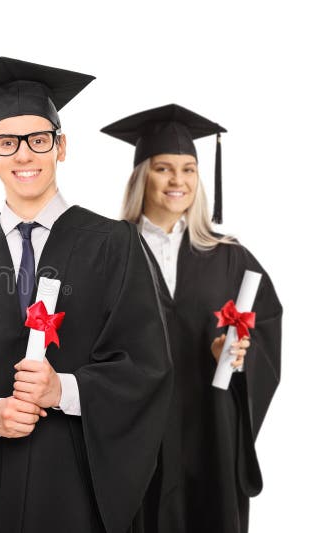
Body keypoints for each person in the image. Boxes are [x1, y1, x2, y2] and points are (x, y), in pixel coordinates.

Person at [0, 56, 173, 533]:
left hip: (77, 490)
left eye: (38, 139)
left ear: (61, 146)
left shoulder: (113, 245)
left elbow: (146, 367)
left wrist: (65, 390)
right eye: (7, 142)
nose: (24, 155)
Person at [102, 103, 282, 533]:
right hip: (138, 439)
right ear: (141, 175)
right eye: (163, 168)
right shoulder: (109, 252)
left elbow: (266, 331)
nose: (177, 181)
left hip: (210, 438)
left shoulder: (229, 257)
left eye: (187, 169)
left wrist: (236, 355)